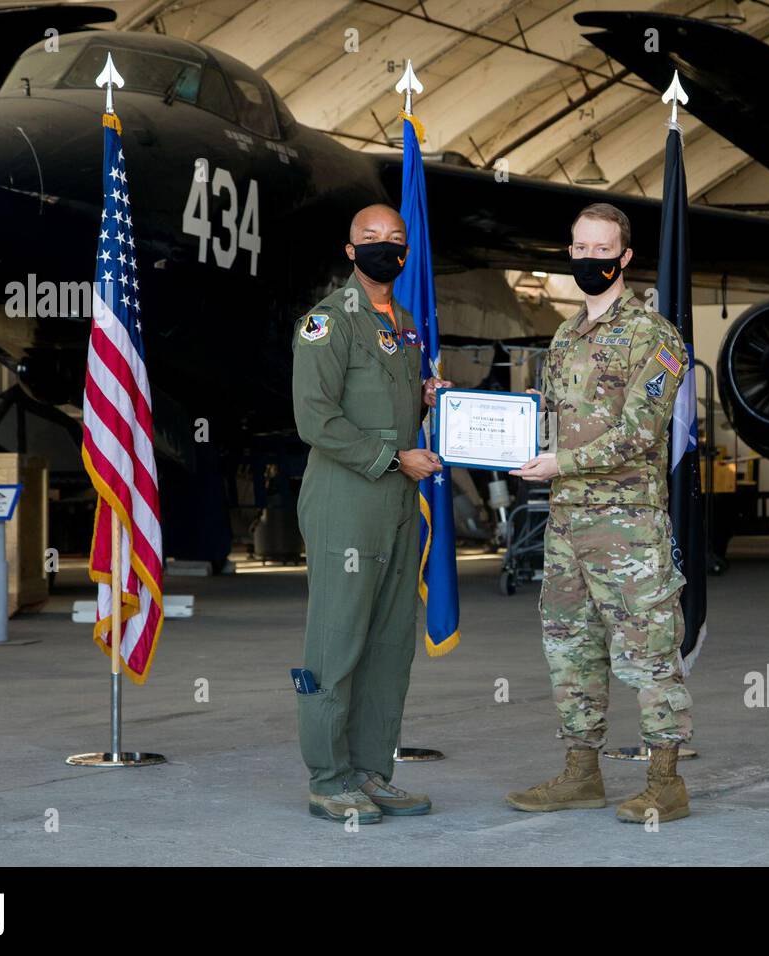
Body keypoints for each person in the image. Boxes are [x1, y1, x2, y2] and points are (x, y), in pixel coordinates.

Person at [506, 202, 693, 823]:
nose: (589, 259)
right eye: (579, 249)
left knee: (650, 652)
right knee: (571, 647)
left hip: (627, 527)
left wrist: (561, 463)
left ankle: (666, 783)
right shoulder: (563, 336)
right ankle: (582, 775)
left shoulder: (656, 337)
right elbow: (549, 421)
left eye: (601, 250)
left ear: (625, 257)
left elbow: (640, 434)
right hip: (566, 526)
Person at [291, 203, 450, 824]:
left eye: (396, 238)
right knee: (338, 640)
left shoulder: (403, 322)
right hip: (347, 499)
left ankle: (370, 770)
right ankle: (328, 777)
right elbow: (316, 418)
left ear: (405, 252)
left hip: (397, 502)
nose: (385, 246)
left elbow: (388, 400)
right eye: (371, 238)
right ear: (350, 250)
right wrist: (392, 457)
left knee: (389, 641)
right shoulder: (328, 322)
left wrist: (427, 395)